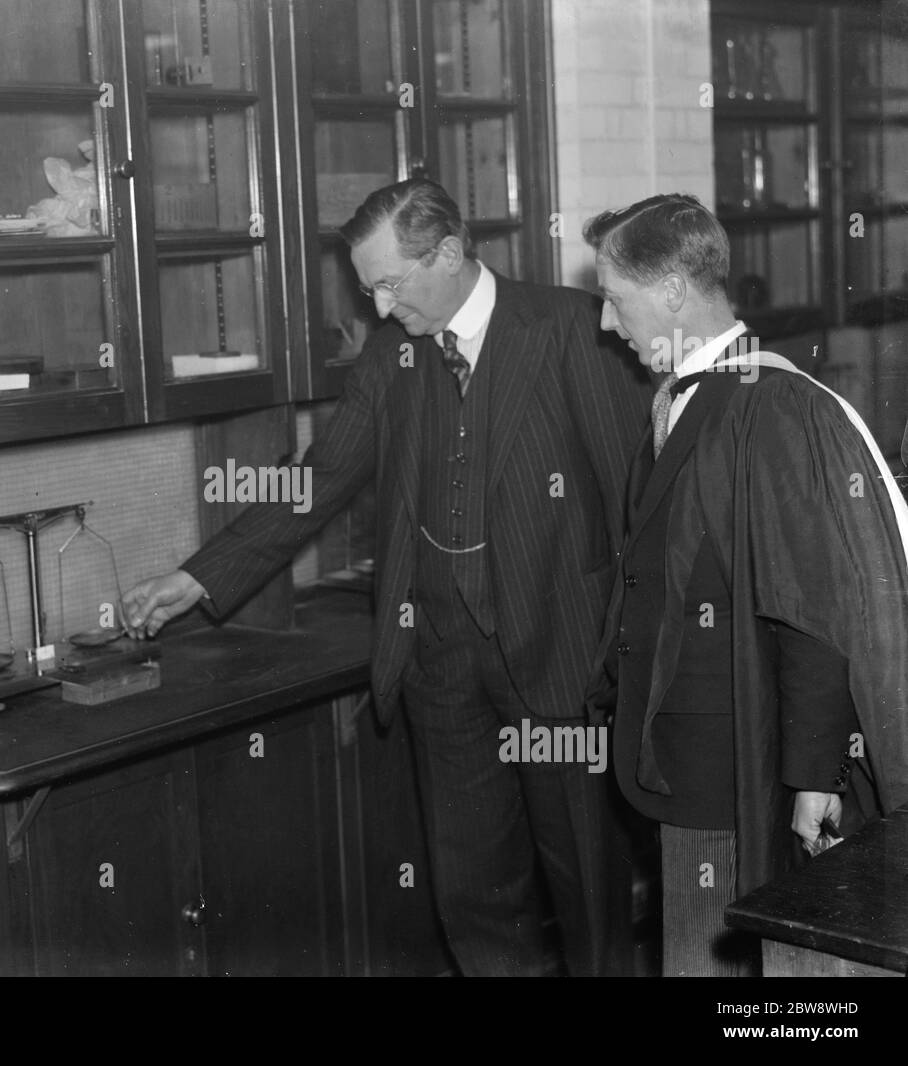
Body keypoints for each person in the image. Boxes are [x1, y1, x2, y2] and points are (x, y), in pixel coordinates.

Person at [121, 178, 652, 976]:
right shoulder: (392, 355)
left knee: (588, 893)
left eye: (388, 284)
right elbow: (318, 480)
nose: (375, 307)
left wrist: (627, 660)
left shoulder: (572, 330)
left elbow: (631, 505)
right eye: (367, 288)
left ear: (447, 252)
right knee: (473, 895)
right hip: (440, 666)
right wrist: (200, 577)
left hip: (564, 663)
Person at [583, 193, 908, 976]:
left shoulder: (772, 408)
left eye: (615, 299)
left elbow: (814, 611)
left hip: (736, 771)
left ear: (670, 292)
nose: (605, 323)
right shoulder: (685, 400)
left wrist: (809, 779)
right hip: (683, 760)